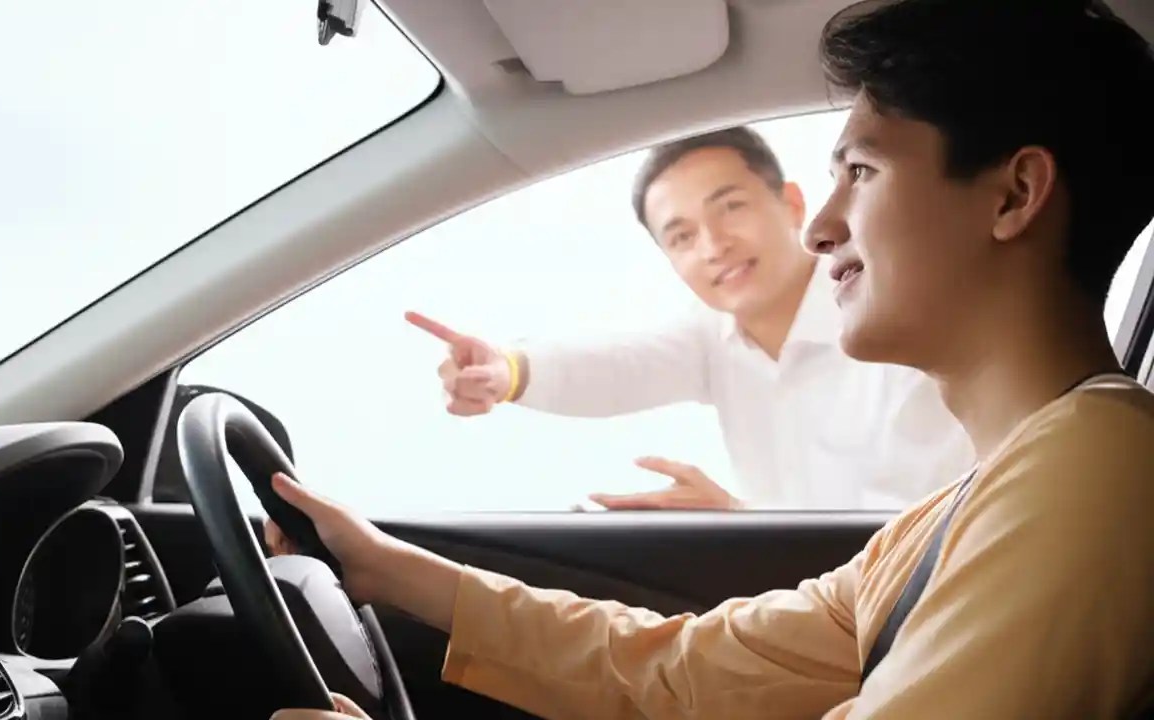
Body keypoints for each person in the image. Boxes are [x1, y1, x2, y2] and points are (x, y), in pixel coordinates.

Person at [272, 0, 1154, 717]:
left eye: (865, 173)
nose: (822, 230)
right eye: (679, 235)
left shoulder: (1092, 473)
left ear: (1015, 195)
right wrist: (391, 567)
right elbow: (683, 668)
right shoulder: (977, 500)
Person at [406, 126, 975, 512]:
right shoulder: (715, 337)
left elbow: (913, 539)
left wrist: (737, 522)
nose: (713, 246)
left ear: (793, 203)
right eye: (681, 236)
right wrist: (504, 371)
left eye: (730, 207)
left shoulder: (895, 327)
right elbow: (616, 364)